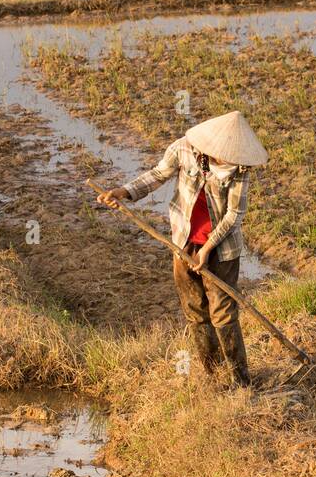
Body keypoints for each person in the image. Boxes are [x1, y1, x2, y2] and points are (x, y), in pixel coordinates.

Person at [96, 110, 267, 386]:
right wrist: (124, 192)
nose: (231, 161)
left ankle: (240, 381)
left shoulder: (240, 170)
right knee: (195, 311)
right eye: (226, 156)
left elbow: (234, 215)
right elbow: (157, 175)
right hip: (184, 243)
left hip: (221, 250)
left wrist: (207, 248)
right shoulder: (184, 149)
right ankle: (213, 375)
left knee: (223, 314)